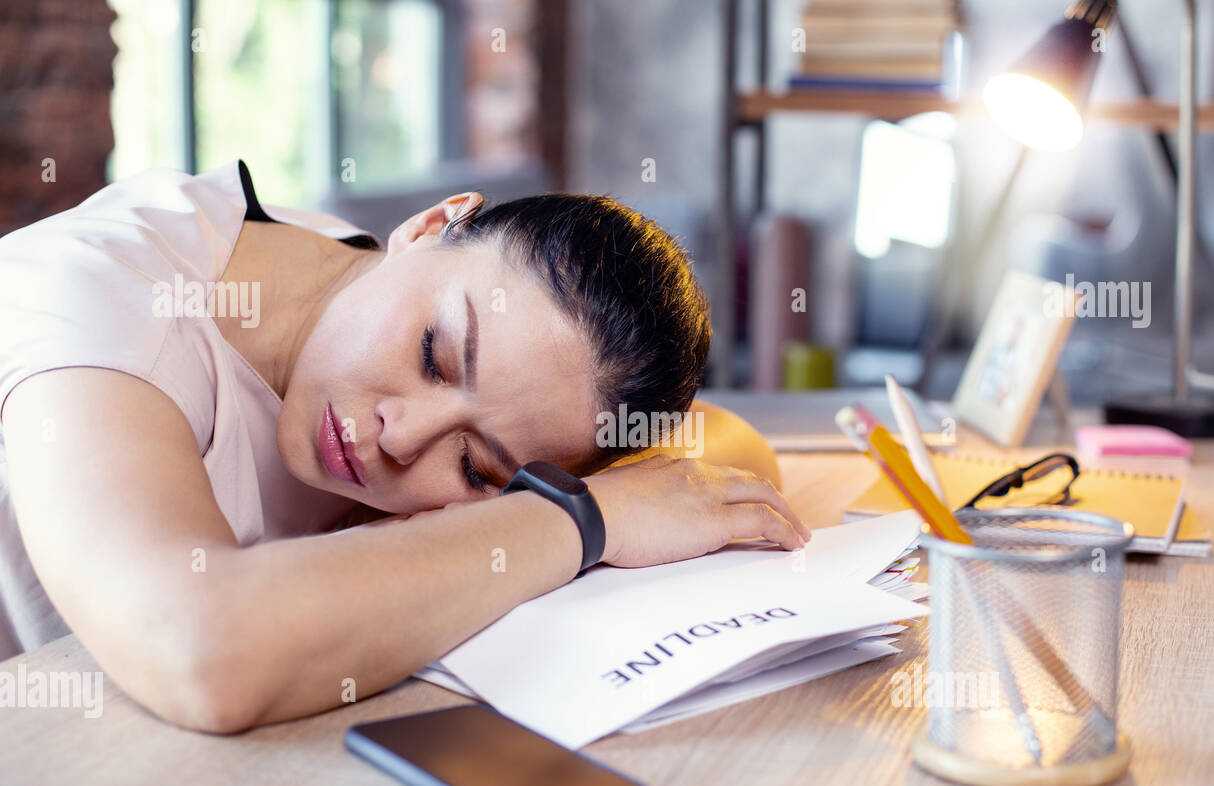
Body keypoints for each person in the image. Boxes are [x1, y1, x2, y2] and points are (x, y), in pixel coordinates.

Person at [0, 160, 810, 733]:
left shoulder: (365, 277)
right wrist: (582, 520)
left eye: (476, 465)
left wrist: (603, 493)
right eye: (436, 354)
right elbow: (201, 651)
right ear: (428, 227)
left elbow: (723, 451)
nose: (401, 436)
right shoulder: (101, 305)